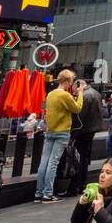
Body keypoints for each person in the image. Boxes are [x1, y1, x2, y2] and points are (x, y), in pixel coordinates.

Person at [35, 70, 83, 202]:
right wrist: (80, 94)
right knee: (53, 163)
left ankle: (39, 193)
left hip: (50, 131)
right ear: (68, 81)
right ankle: (48, 193)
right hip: (62, 132)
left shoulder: (50, 94)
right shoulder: (65, 95)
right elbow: (77, 108)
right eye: (72, 81)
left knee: (44, 162)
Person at [71, 78, 104, 195]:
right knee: (84, 158)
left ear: (79, 85)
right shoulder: (96, 93)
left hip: (83, 131)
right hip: (92, 129)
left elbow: (80, 117)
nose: (74, 92)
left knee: (79, 159)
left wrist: (73, 135)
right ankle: (81, 184)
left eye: (74, 89)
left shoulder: (85, 96)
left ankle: (77, 185)